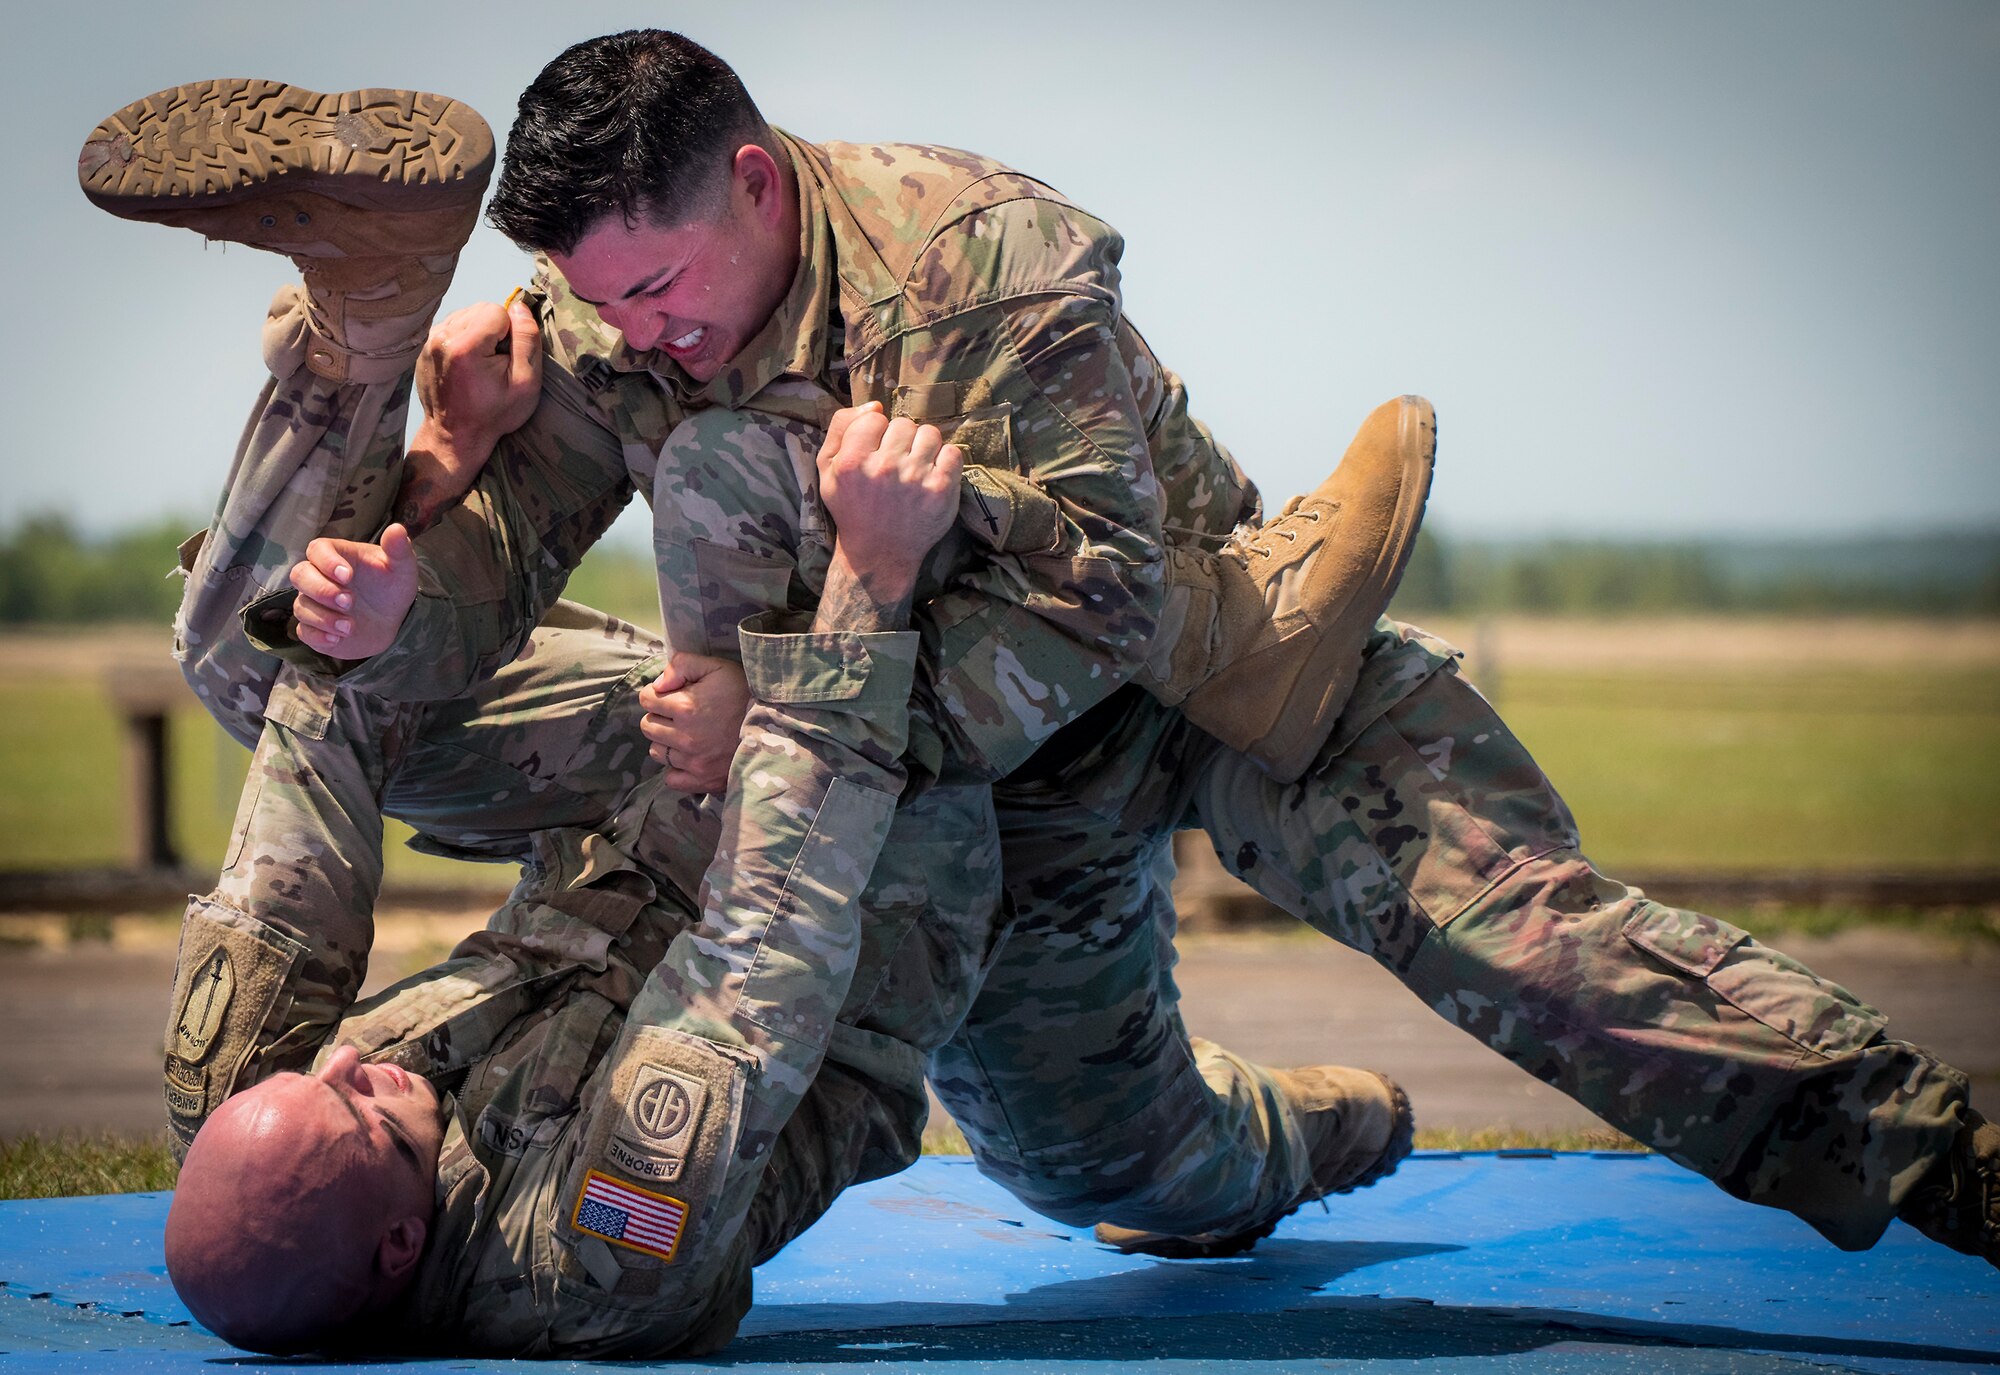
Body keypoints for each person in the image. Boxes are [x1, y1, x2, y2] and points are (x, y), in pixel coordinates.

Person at [298, 29, 1989, 1267]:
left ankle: (1951, 1168)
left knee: (1542, 953)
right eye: (608, 302)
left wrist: (794, 721)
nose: (641, 334)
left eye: (661, 288)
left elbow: (1093, 602)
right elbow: (512, 551)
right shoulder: (612, 313)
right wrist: (431, 503)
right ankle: (1330, 1128)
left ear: (753, 180)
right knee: (1113, 1176)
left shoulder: (982, 264)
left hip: (1207, 676)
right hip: (970, 796)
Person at [81, 66, 1426, 1262]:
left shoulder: (290, 1156)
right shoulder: (605, 1226)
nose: (349, 1067)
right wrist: (860, 594)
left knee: (264, 662)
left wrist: (423, 474)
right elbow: (764, 953)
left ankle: (361, 320)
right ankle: (1226, 621)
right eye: (365, 1116)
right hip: (862, 887)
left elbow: (294, 872)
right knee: (1118, 1168)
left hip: (662, 815)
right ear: (400, 1249)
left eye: (316, 1078)